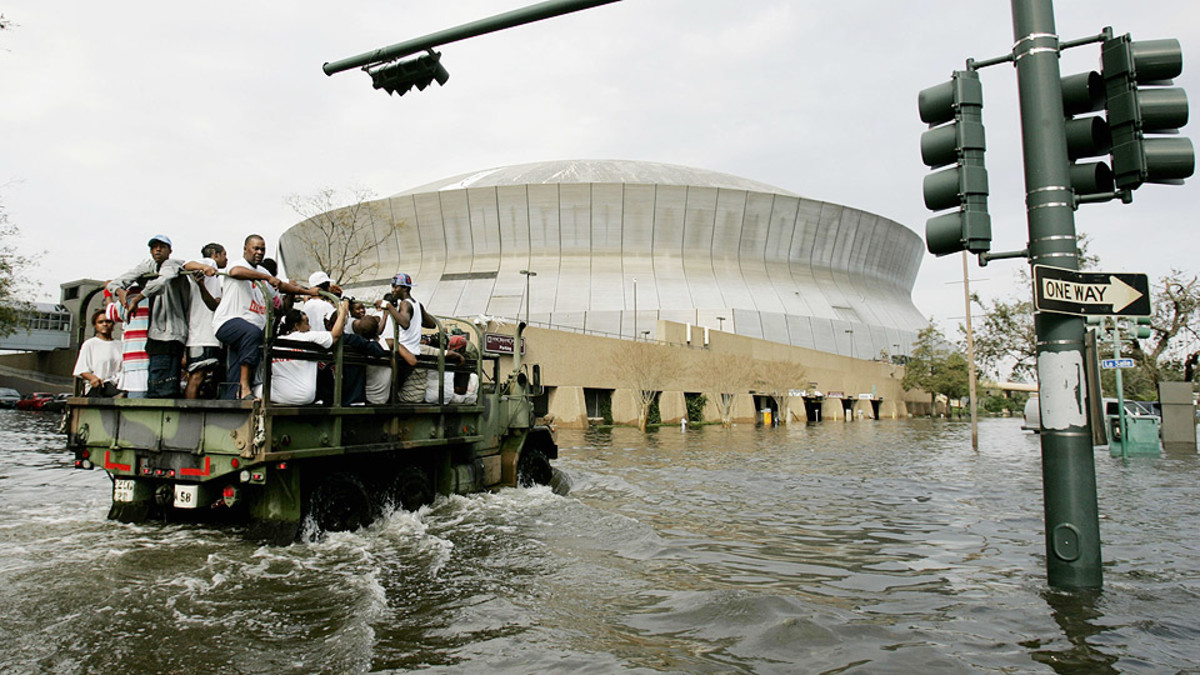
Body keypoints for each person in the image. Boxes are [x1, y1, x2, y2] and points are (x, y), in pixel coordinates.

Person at [107, 235, 216, 398]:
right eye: (154, 247)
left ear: (169, 250)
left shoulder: (172, 264)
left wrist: (137, 298)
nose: (157, 249)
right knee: (158, 382)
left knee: (164, 385)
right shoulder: (149, 265)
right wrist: (120, 291)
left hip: (171, 333)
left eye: (162, 247)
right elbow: (116, 282)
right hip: (157, 334)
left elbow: (161, 282)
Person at [213, 234, 319, 400]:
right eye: (255, 248)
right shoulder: (239, 264)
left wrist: (308, 292)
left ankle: (231, 397)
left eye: (262, 249)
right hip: (228, 322)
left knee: (238, 363)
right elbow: (235, 272)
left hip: (251, 331)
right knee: (252, 333)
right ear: (245, 249)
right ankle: (245, 389)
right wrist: (266, 278)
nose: (259, 252)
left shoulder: (263, 271)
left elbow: (282, 286)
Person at [257, 299, 348, 405]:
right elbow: (335, 335)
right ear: (296, 326)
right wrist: (342, 313)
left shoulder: (276, 342)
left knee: (256, 387)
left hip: (275, 394)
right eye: (307, 322)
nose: (310, 327)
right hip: (304, 397)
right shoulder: (307, 337)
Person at [184, 242, 227, 399]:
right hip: (201, 334)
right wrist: (205, 267)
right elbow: (186, 264)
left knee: (201, 377)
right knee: (197, 376)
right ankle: (189, 411)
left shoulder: (214, 279)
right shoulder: (209, 263)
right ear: (215, 254)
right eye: (224, 255)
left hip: (204, 334)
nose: (226, 259)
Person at [106, 287, 150, 398]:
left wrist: (108, 293)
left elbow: (110, 312)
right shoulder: (160, 297)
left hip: (134, 363)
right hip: (157, 360)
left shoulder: (127, 300)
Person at [72, 309, 123, 397]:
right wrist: (93, 378)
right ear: (95, 325)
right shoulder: (90, 344)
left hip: (117, 386)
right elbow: (82, 369)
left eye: (108, 321)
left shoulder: (120, 345)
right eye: (100, 322)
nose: (105, 324)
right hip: (97, 388)